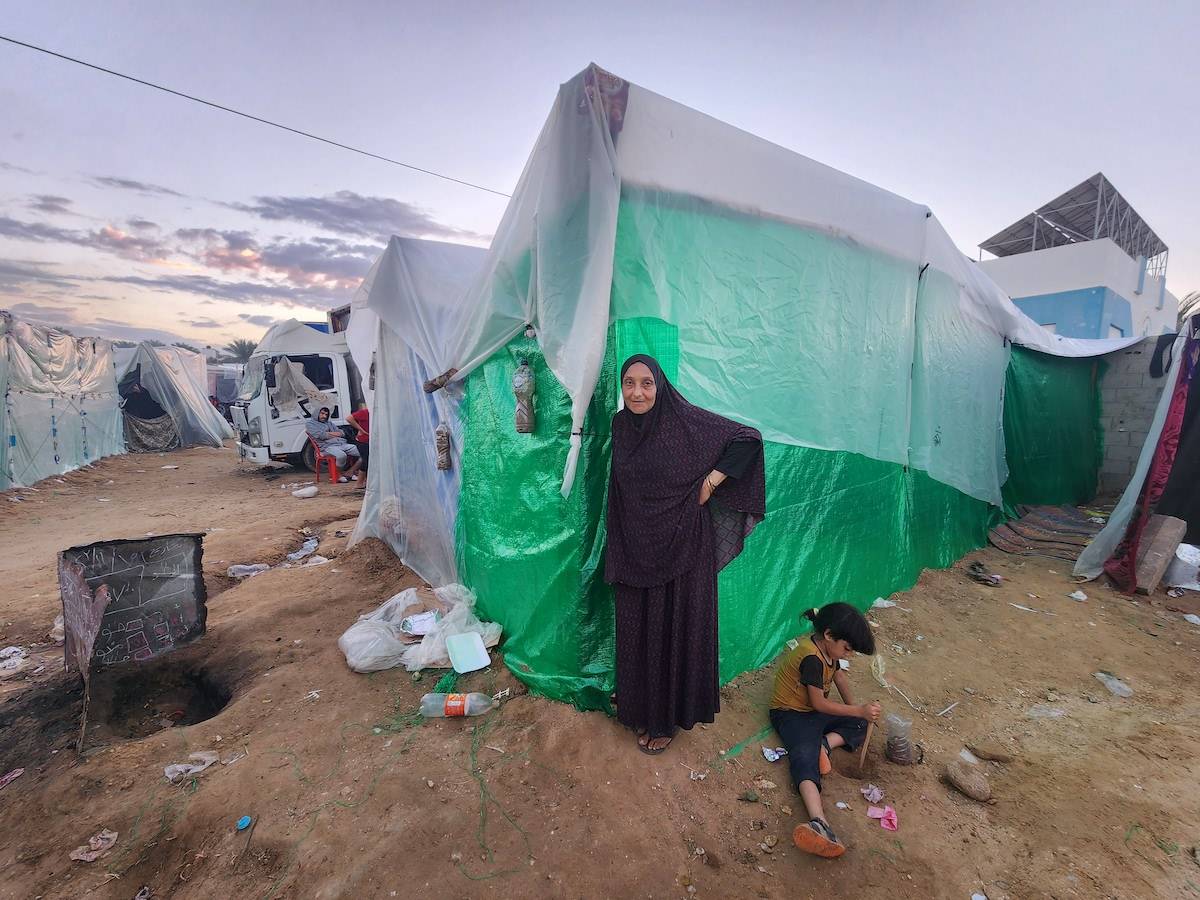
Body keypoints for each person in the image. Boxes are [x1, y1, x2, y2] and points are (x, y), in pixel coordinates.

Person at [605, 355, 766, 755]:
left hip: (683, 549)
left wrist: (711, 481)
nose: (637, 392)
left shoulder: (684, 422)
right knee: (638, 629)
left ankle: (665, 721)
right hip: (635, 547)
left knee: (672, 630)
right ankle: (641, 708)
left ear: (660, 386)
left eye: (646, 383)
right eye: (629, 383)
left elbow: (748, 439)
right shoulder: (621, 426)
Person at [769, 603, 879, 858]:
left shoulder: (829, 651)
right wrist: (857, 711)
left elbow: (839, 678)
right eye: (847, 649)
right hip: (790, 714)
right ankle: (819, 822)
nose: (848, 655)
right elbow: (818, 703)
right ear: (829, 635)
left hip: (813, 713)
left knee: (861, 721)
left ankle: (825, 745)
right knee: (803, 756)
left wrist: (858, 710)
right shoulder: (811, 658)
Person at [304, 407, 361, 483]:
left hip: (341, 444)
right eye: (322, 414)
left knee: (364, 452)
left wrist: (329, 434)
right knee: (341, 455)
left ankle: (350, 472)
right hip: (327, 447)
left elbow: (342, 433)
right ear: (317, 413)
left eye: (326, 414)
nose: (324, 416)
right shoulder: (310, 424)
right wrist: (334, 434)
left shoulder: (329, 423)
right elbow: (322, 436)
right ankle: (338, 474)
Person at [346, 403, 370, 490]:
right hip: (363, 441)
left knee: (365, 461)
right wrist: (361, 430)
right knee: (367, 461)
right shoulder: (366, 412)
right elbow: (349, 418)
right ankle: (364, 483)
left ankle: (360, 483)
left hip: (369, 440)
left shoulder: (375, 413)